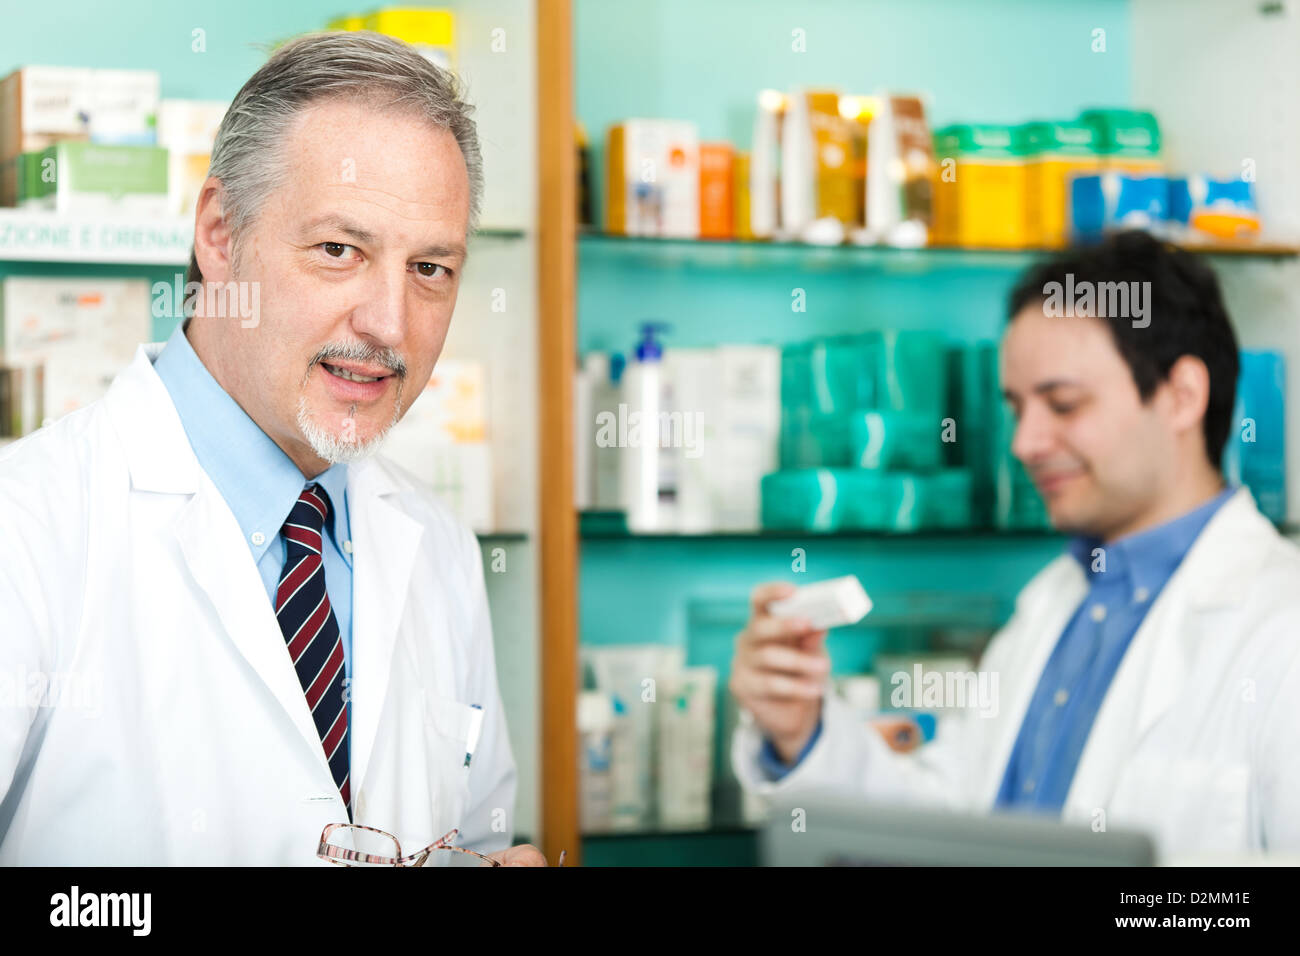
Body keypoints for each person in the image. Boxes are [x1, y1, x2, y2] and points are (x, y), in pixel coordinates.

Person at [0, 31, 545, 865]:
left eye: (430, 268)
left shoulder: (437, 545)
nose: (390, 325)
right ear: (220, 234)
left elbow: (475, 834)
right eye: (339, 251)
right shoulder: (28, 528)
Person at [730, 232, 1300, 859]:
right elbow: (954, 823)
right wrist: (801, 729)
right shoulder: (1053, 608)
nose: (1025, 443)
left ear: (1181, 397)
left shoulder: (1279, 628)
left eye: (1063, 404)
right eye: (1018, 408)